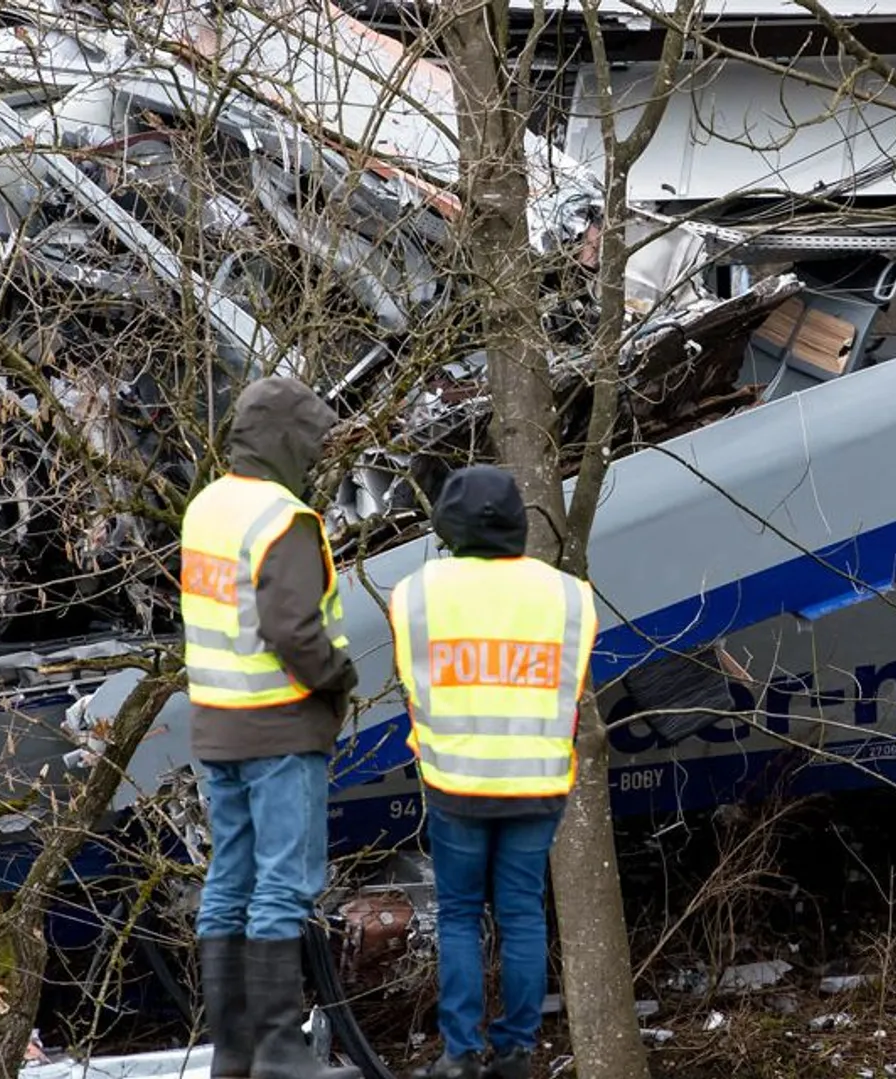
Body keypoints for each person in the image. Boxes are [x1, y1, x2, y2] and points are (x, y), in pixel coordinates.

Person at [387, 465, 598, 1079]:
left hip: (455, 783)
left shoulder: (416, 593)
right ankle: (515, 1054)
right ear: (516, 523)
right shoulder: (569, 596)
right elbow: (575, 684)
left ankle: (459, 1056)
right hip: (537, 781)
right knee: (523, 913)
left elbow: (409, 679)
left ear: (448, 526)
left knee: (457, 915)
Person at [183, 377, 361, 1079]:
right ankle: (284, 1050)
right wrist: (337, 675)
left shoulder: (206, 508)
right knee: (285, 882)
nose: (316, 454)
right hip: (281, 726)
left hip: (216, 726)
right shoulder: (283, 518)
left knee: (228, 881)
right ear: (287, 440)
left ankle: (235, 1050)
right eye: (311, 439)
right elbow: (294, 628)